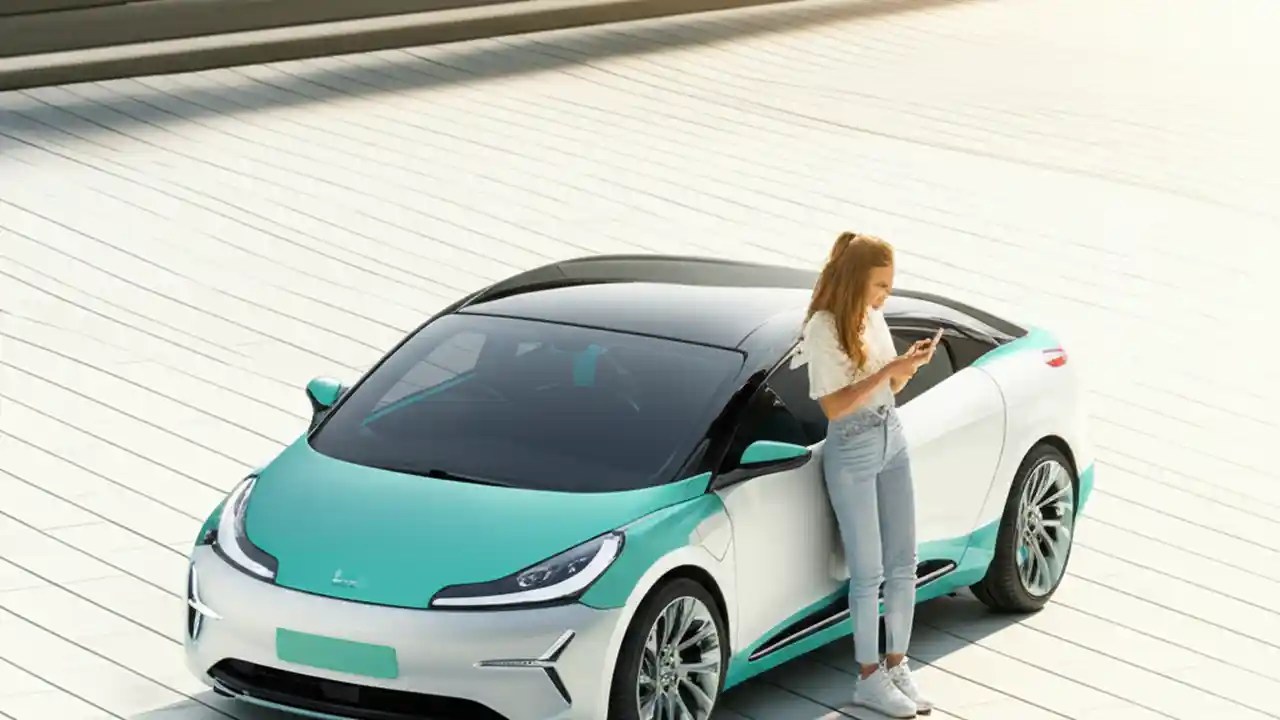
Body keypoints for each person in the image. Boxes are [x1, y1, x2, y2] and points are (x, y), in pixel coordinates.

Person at [789, 231, 937, 718]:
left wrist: (908, 366)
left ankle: (897, 666)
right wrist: (886, 371)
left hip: (891, 434)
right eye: (880, 286)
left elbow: (891, 382)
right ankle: (868, 677)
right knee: (868, 571)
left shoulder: (872, 317)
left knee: (904, 562)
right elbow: (833, 406)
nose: (884, 297)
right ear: (857, 279)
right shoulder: (823, 327)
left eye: (889, 288)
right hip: (851, 447)